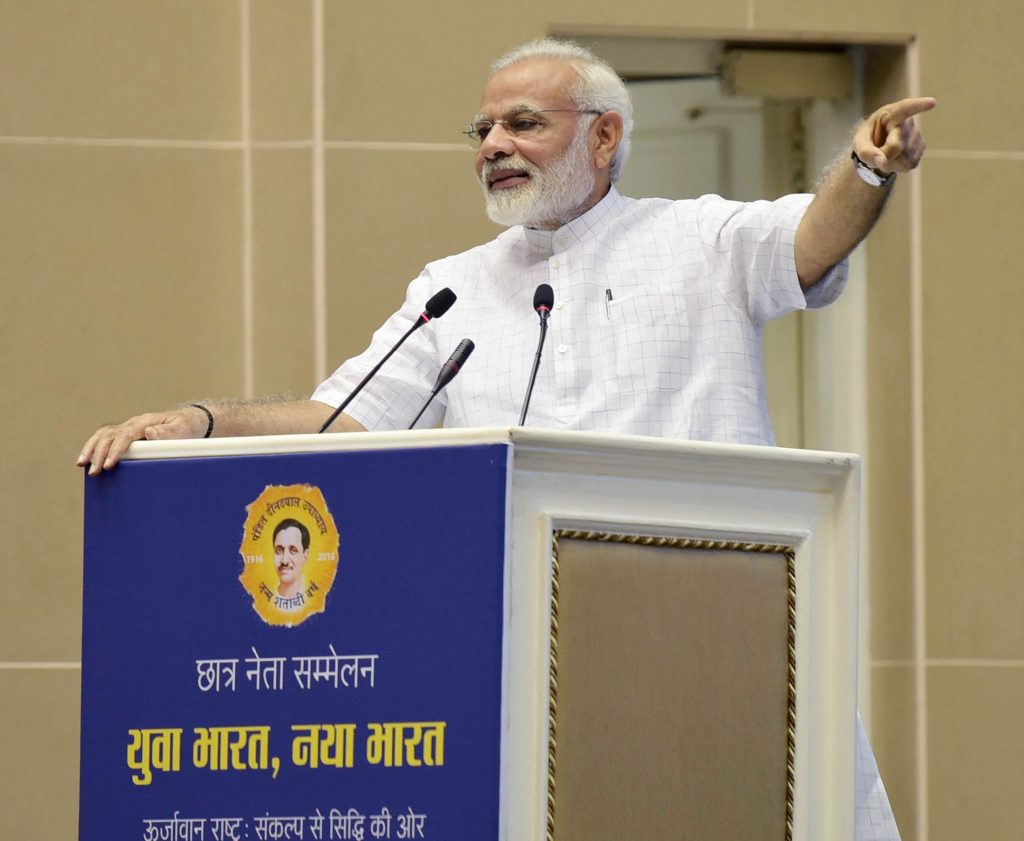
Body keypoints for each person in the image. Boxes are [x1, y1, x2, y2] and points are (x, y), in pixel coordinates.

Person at [78, 39, 930, 839]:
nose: (493, 143)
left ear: (604, 137)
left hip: (710, 631)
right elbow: (343, 416)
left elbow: (814, 238)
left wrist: (865, 168)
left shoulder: (698, 238)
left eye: (522, 123)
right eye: (482, 128)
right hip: (532, 657)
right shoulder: (452, 289)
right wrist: (198, 420)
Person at [271, 518, 310, 601]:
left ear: (305, 556)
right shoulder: (265, 600)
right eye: (279, 550)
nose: (284, 560)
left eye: (293, 550)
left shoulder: (314, 600)